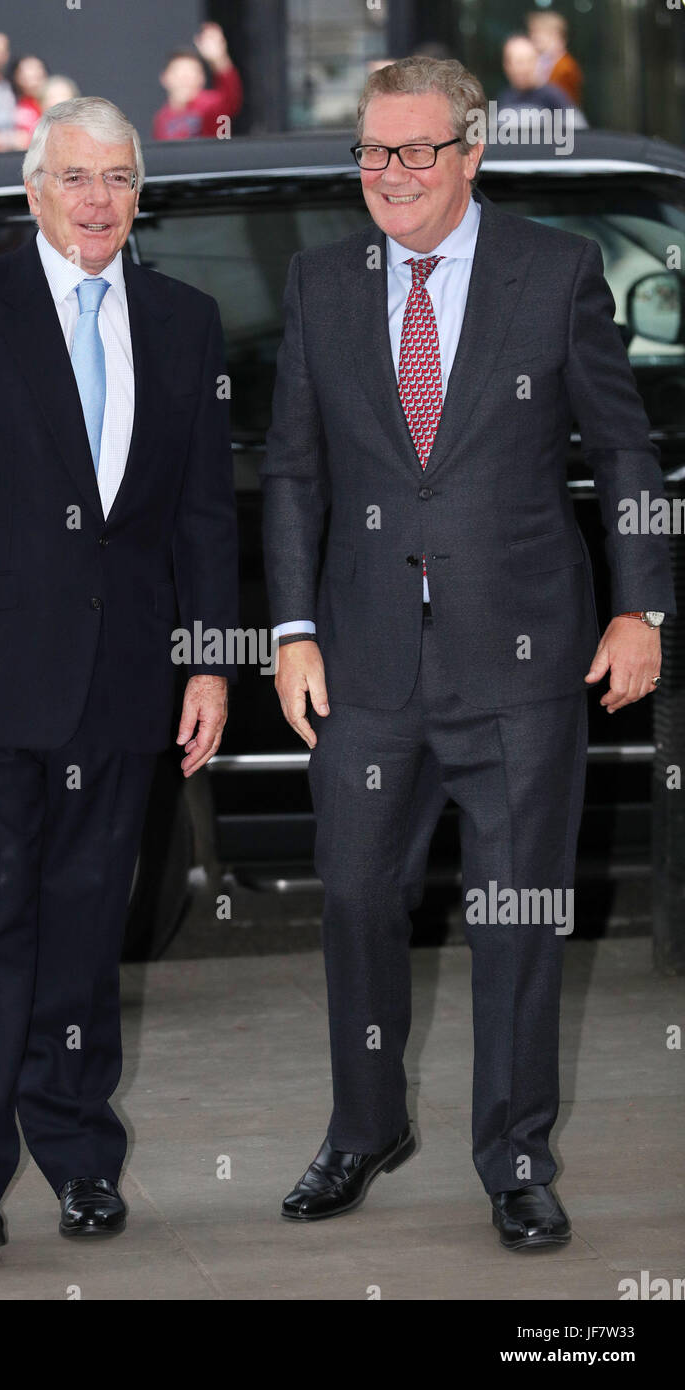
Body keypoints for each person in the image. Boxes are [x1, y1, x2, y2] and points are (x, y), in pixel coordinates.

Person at [262, 56, 673, 1250]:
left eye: (414, 151)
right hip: (363, 663)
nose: (388, 177)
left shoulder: (555, 272)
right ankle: (363, 1124)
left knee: (515, 915)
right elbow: (293, 468)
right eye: (370, 154)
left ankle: (516, 1155)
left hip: (522, 664)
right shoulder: (318, 282)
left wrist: (640, 608)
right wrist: (289, 630)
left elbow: (624, 452)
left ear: (470, 151)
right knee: (351, 900)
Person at [0, 97, 238, 1247]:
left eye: (117, 178)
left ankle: (78, 1156)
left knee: (83, 932)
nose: (95, 200)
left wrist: (209, 661)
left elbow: (204, 515)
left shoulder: (184, 321)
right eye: (73, 177)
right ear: (31, 190)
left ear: (138, 192)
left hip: (121, 687)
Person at [153, 21, 242, 140]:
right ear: (165, 77)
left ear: (202, 79)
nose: (185, 79)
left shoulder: (209, 105)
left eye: (191, 73)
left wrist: (219, 59)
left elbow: (230, 98)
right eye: (179, 73)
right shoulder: (162, 117)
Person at [497, 34, 582, 126]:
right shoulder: (503, 99)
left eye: (526, 61)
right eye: (514, 62)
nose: (521, 68)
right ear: (506, 66)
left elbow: (581, 133)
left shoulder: (554, 97)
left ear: (537, 61)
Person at [527, 9, 584, 109]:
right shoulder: (543, 61)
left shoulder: (566, 68)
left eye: (537, 32)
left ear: (555, 35)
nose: (533, 37)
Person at [12, 55, 49, 148]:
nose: (32, 82)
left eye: (36, 76)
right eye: (26, 77)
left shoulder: (54, 101)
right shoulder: (10, 105)